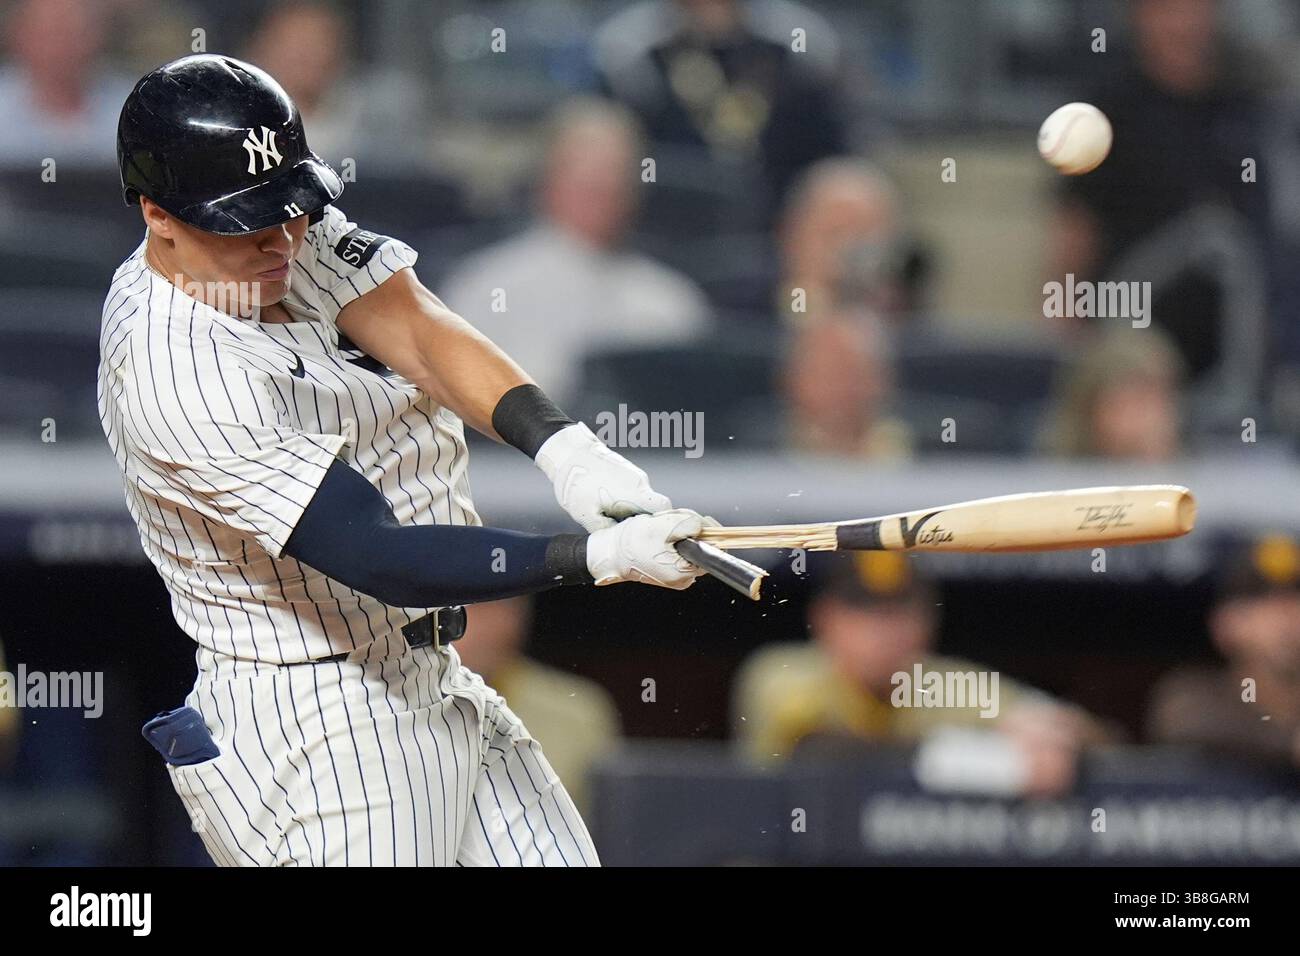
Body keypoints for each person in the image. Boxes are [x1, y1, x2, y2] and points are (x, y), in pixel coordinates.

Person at [101, 54, 718, 867]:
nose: (284, 239)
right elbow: (379, 556)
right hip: (319, 718)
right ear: (158, 214)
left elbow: (420, 330)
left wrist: (569, 450)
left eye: (290, 211)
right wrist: (596, 555)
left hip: (429, 676)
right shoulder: (171, 367)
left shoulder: (281, 226)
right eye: (248, 225)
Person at [732, 552, 1109, 798]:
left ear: (928, 624)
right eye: (864, 613)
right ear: (824, 619)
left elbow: (1080, 733)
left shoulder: (944, 683)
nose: (883, 632)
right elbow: (821, 754)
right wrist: (998, 765)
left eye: (898, 613)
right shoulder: (782, 674)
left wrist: (1058, 736)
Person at [440, 97, 711, 406]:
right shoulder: (483, 288)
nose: (603, 187)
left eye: (615, 175)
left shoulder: (671, 302)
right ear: (547, 179)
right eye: (586, 175)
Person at [455, 597, 621, 817]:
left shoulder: (579, 713)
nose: (484, 626)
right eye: (466, 608)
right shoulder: (396, 707)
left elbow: (609, 826)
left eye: (498, 604)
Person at [1147, 533, 1300, 768]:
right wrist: (1289, 742)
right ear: (1223, 624)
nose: (1286, 614)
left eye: (1295, 595)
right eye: (1262, 600)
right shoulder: (1192, 695)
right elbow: (1186, 723)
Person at [780, 309, 912, 460]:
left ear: (880, 382)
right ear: (794, 381)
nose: (839, 389)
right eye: (827, 375)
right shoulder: (761, 456)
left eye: (852, 374)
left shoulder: (914, 458)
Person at [1039, 327, 1185, 461]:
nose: (1154, 417)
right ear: (1090, 407)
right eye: (1137, 401)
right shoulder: (1046, 470)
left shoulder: (1193, 473)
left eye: (1162, 398)